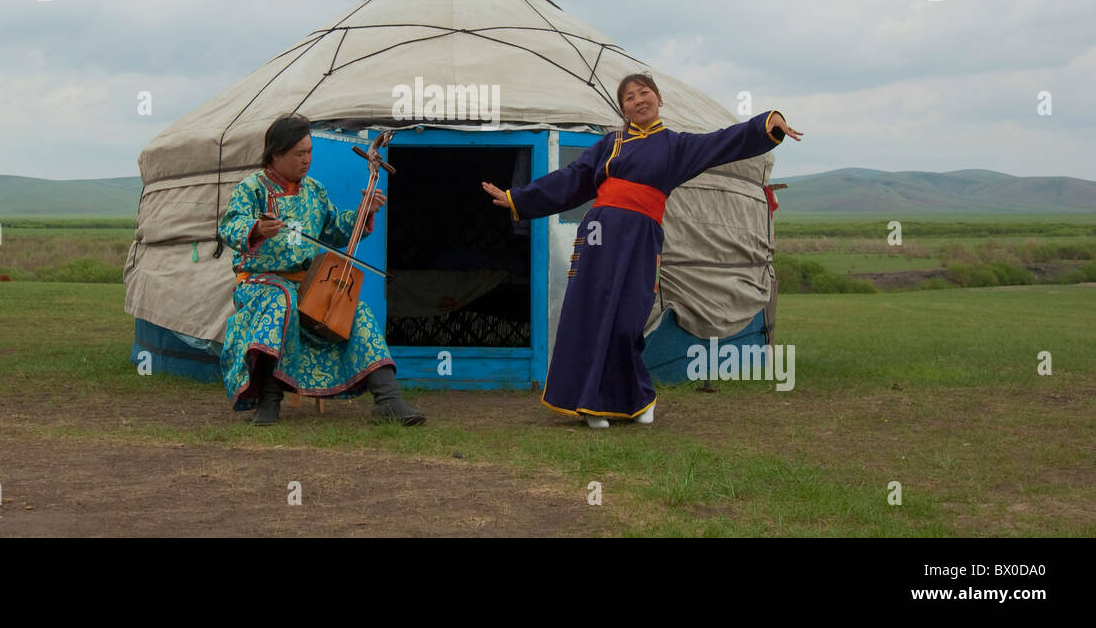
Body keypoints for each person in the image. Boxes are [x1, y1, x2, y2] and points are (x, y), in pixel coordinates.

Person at [482, 74, 802, 428]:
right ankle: (590, 404)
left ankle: (636, 397)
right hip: (600, 236)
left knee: (628, 318)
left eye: (644, 92)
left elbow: (723, 141)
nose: (638, 100)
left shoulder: (677, 146)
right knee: (589, 312)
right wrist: (519, 197)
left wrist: (765, 125)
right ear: (623, 109)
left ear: (659, 99)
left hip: (641, 237)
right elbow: (572, 178)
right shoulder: (610, 143)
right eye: (629, 97)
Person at [218, 113, 426, 427]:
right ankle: (268, 400)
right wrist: (257, 228)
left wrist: (361, 212)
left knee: (353, 306)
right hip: (261, 283)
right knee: (282, 301)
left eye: (309, 152)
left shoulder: (314, 190)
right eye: (299, 154)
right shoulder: (252, 189)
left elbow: (333, 231)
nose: (306, 160)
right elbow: (230, 228)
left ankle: (388, 399)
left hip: (308, 282)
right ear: (276, 154)